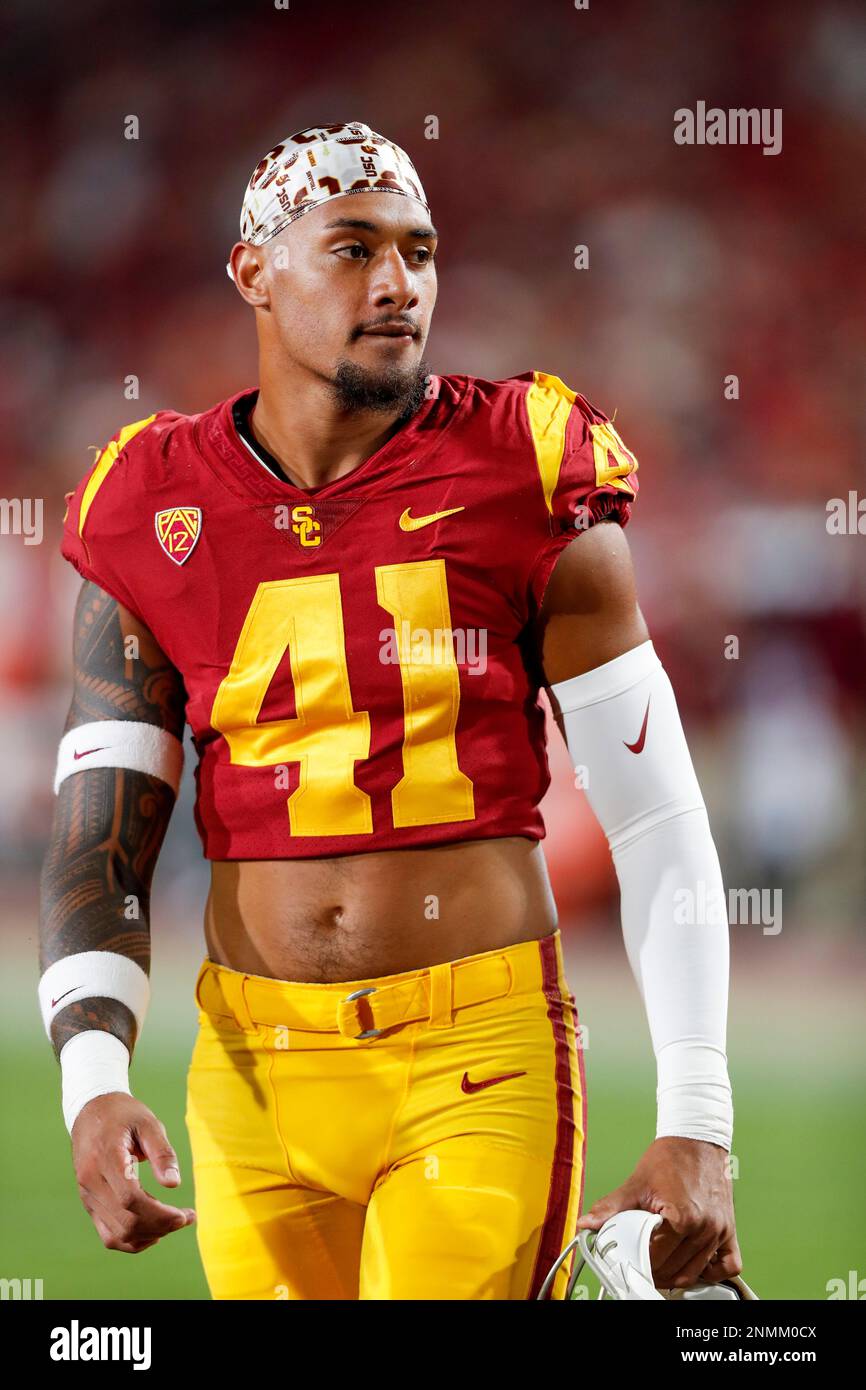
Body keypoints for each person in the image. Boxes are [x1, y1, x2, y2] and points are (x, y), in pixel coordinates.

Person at [39, 122, 739, 1300]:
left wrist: (699, 1113)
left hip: (476, 1056)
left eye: (418, 250)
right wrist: (92, 1075)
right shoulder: (149, 502)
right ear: (253, 272)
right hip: (251, 1073)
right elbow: (100, 834)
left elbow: (656, 817)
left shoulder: (521, 463)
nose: (398, 284)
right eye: (353, 249)